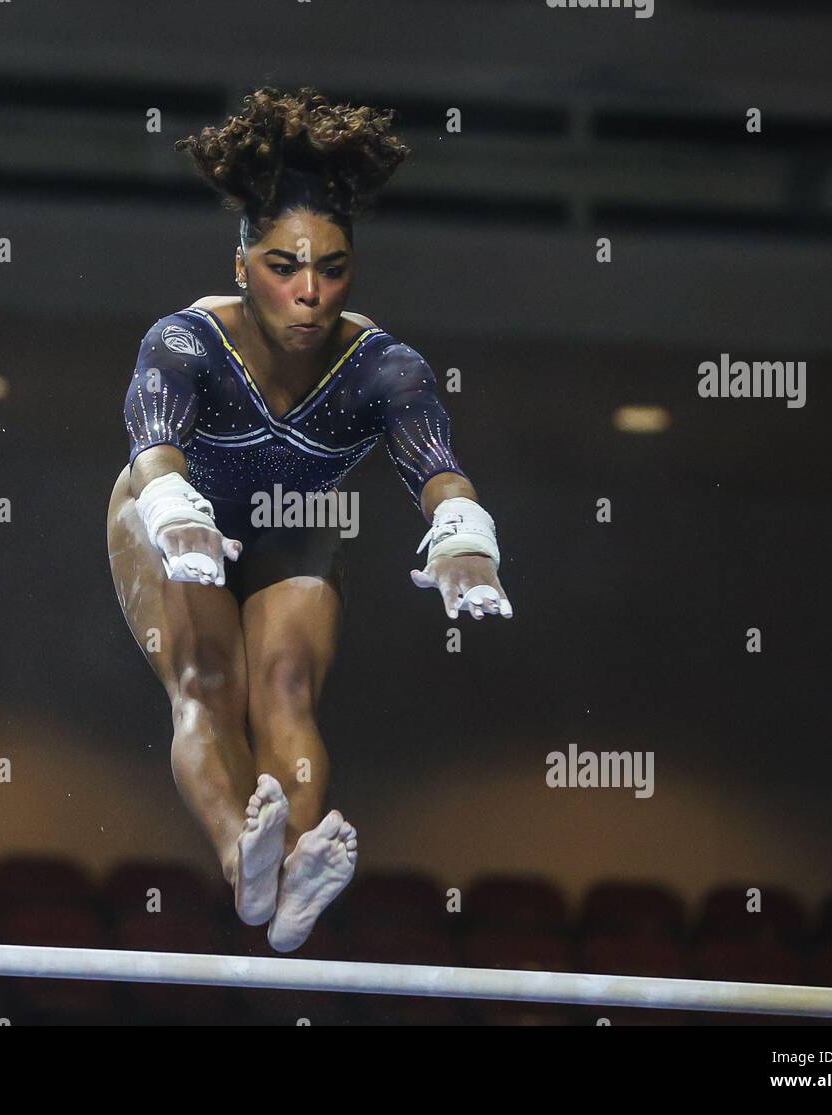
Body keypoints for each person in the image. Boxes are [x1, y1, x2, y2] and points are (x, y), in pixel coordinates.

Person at [107, 87, 512, 953]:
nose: (309, 293)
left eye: (331, 268)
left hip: (295, 521)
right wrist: (176, 512)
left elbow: (436, 467)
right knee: (207, 682)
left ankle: (292, 881)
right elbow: (152, 444)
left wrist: (465, 538)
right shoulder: (185, 342)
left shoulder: (382, 368)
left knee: (286, 686)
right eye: (285, 267)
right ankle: (242, 866)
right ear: (243, 260)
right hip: (172, 516)